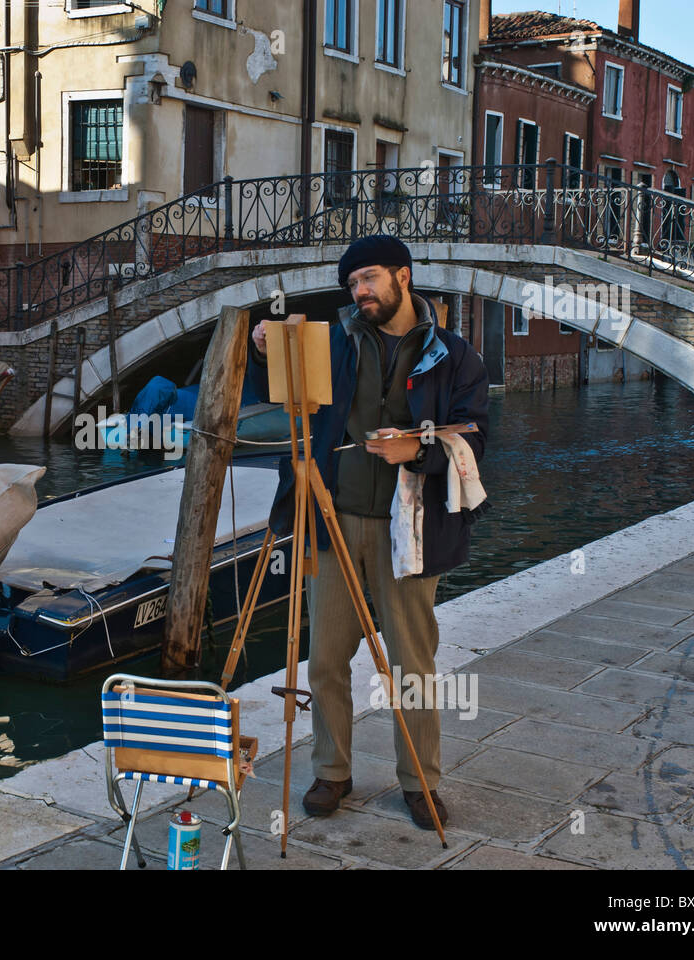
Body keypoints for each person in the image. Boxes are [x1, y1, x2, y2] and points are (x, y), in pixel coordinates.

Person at [246, 235, 489, 831]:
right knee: (325, 656)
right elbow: (275, 393)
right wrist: (262, 349)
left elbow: (476, 437)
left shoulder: (455, 356)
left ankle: (421, 783)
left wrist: (419, 448)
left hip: (413, 526)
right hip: (332, 518)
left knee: (411, 662)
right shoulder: (333, 342)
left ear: (402, 277)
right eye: (352, 283)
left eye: (370, 278)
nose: (360, 291)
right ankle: (332, 771)